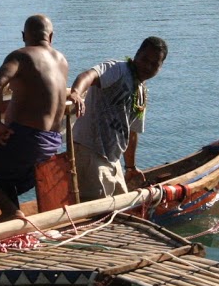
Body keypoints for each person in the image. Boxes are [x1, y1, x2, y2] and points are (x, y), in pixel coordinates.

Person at [0, 14, 70, 217]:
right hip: (51, 143)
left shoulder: (21, 56)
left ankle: (11, 212)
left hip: (26, 140)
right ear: (51, 36)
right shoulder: (62, 60)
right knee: (4, 167)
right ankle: (9, 216)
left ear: (24, 36)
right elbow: (38, 98)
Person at [68, 36, 168, 201]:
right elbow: (89, 75)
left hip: (113, 160)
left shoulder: (141, 92)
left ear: (160, 67)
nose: (147, 66)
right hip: (90, 153)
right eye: (145, 59)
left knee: (124, 205)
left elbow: (132, 132)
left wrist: (130, 167)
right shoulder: (117, 69)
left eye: (154, 64)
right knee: (97, 210)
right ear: (137, 54)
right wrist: (76, 92)